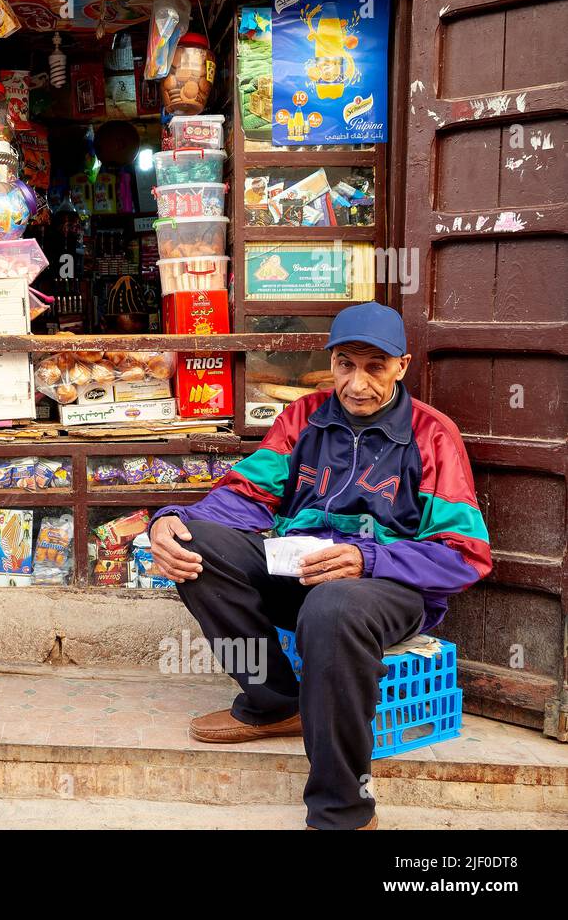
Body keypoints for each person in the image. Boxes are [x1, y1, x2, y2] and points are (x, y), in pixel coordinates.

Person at [149, 302, 491, 830]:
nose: (357, 383)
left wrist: (367, 557)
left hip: (386, 588)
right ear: (330, 363)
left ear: (402, 366)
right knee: (197, 543)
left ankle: (343, 812)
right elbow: (246, 497)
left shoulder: (432, 434)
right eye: (345, 365)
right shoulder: (303, 417)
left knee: (333, 606)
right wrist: (168, 519)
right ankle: (278, 702)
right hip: (303, 575)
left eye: (374, 366)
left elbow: (465, 557)